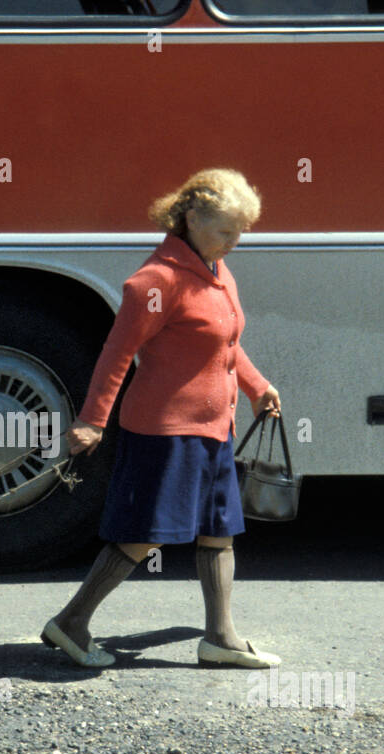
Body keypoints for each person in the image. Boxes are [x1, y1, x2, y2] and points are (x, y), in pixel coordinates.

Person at [41, 168, 282, 669]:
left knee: (219, 528)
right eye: (225, 231)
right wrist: (91, 420)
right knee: (142, 532)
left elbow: (226, 348)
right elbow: (116, 352)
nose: (234, 243)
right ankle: (71, 622)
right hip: (165, 431)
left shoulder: (217, 270)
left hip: (217, 428)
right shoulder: (156, 281)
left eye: (241, 233)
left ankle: (220, 637)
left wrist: (257, 388)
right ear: (191, 219)